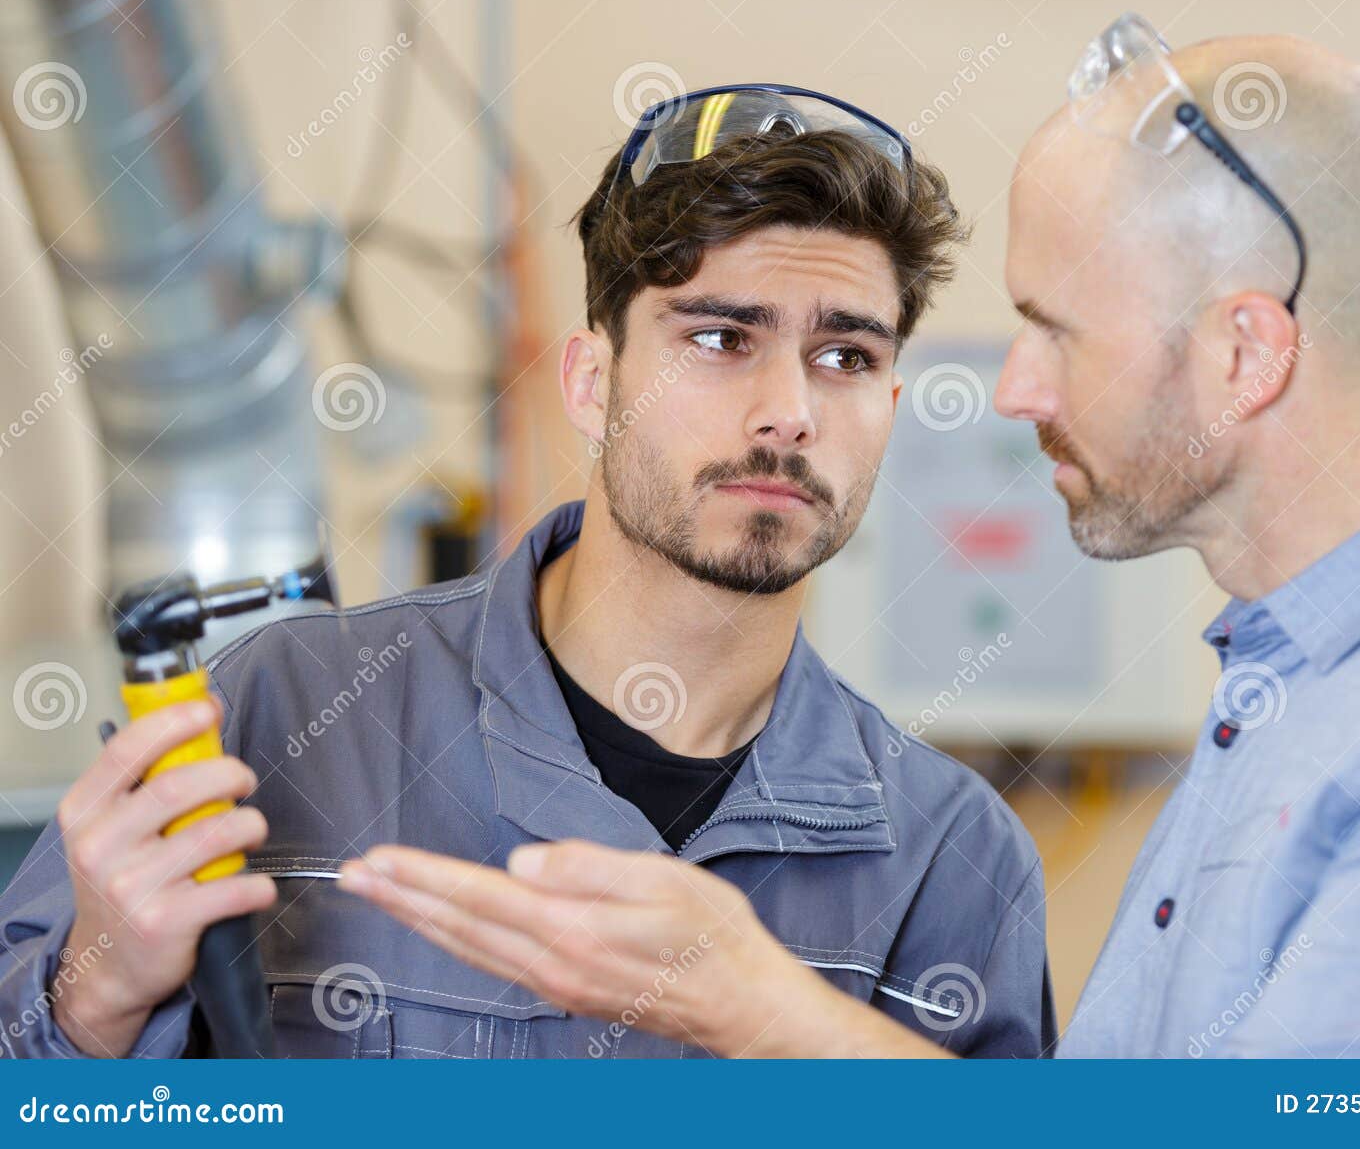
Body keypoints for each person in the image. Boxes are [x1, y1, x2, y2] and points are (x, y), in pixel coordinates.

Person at [343, 23, 1360, 1058]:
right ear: (589, 375)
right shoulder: (1284, 696)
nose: (1013, 391)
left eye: (1058, 330)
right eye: (720, 337)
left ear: (1243, 353)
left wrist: (763, 1008)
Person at [0, 85, 1055, 1059]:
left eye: (847, 358)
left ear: (890, 413)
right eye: (723, 337)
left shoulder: (949, 859)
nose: (792, 408)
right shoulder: (282, 717)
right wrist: (91, 999)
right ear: (593, 383)